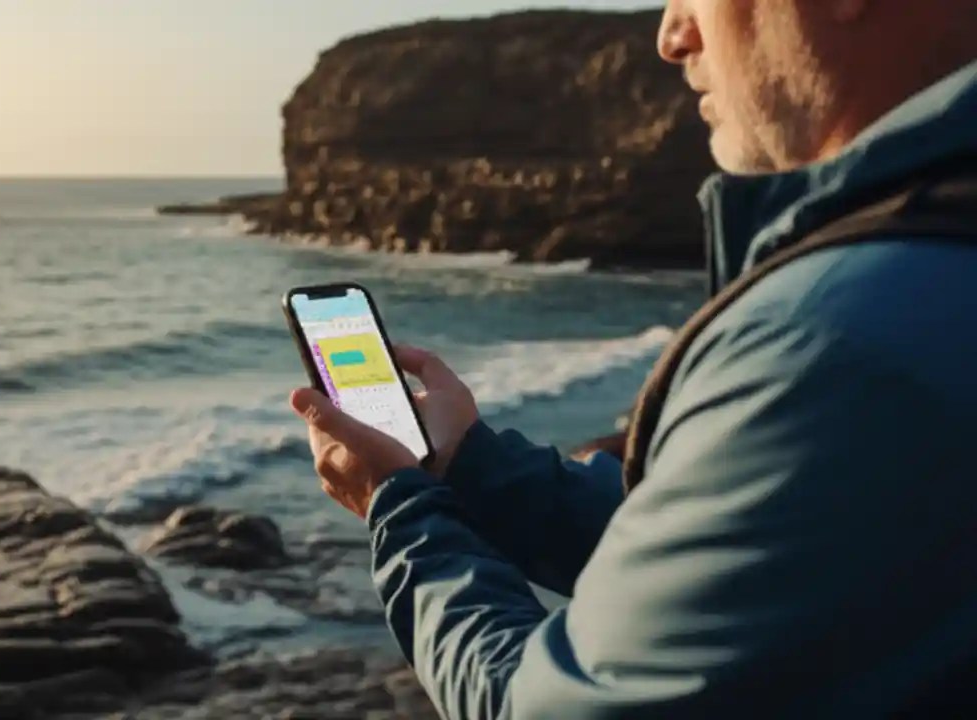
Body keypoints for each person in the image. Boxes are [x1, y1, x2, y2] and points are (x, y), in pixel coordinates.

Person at [288, 1, 977, 717]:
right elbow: (743, 556)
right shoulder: (925, 271)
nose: (672, 36)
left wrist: (398, 509)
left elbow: (546, 708)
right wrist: (468, 463)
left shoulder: (834, 344)